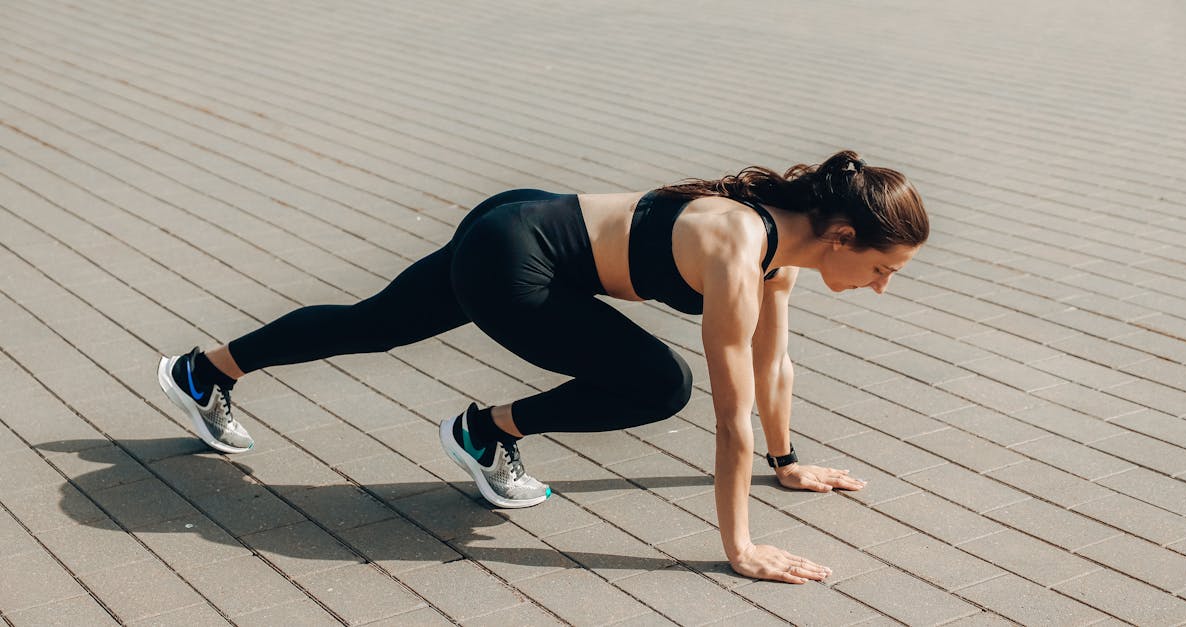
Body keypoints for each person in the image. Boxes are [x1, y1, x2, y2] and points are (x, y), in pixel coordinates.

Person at [157, 149, 928, 584]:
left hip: (520, 214)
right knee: (664, 385)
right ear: (841, 235)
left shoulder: (781, 248)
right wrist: (741, 547)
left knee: (376, 324)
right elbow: (730, 414)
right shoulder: (739, 250)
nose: (882, 286)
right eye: (884, 267)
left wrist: (789, 461)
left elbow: (775, 363)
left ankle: (207, 370)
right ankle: (486, 432)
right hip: (516, 261)